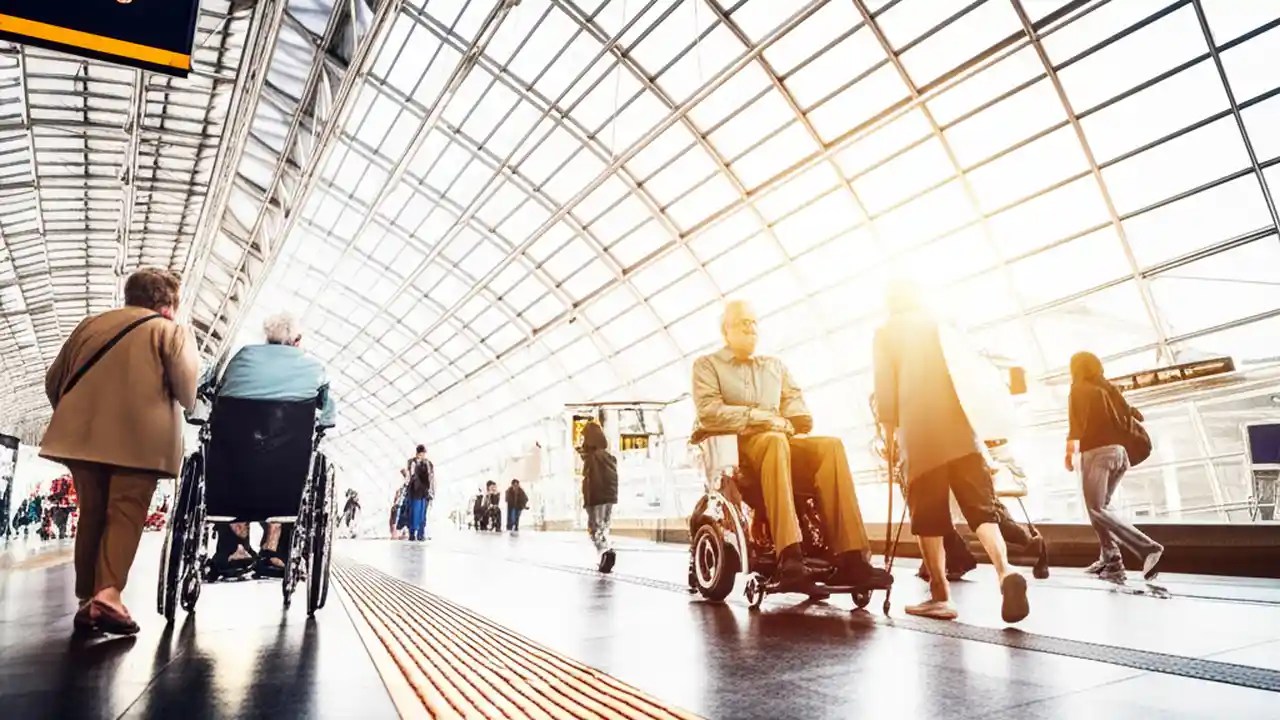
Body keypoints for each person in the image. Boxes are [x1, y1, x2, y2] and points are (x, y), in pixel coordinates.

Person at [692, 300, 893, 591]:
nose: (750, 327)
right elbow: (709, 412)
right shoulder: (707, 365)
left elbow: (800, 415)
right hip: (737, 450)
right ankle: (790, 556)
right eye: (741, 323)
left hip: (779, 443)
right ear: (726, 330)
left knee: (830, 446)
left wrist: (787, 421)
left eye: (753, 322)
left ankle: (852, 558)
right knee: (773, 440)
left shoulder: (774, 367)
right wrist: (762, 418)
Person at [41, 267, 199, 635]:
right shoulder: (170, 331)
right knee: (125, 512)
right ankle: (109, 595)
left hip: (83, 436)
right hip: (140, 439)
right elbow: (187, 392)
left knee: (92, 512)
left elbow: (54, 381)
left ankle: (86, 600)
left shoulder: (90, 325)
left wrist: (80, 417)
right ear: (168, 304)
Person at [873, 278, 1028, 623]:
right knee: (982, 512)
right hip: (963, 431)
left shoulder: (887, 333)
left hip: (920, 434)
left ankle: (941, 595)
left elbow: (885, 389)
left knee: (928, 519)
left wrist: (889, 434)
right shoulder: (942, 323)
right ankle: (1005, 571)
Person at [209, 312, 337, 577]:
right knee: (293, 470)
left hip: (232, 465)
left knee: (229, 457)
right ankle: (274, 549)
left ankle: (234, 546)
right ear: (298, 340)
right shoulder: (314, 367)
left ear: (267, 338)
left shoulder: (242, 357)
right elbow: (328, 415)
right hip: (285, 470)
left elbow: (212, 387)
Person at [1066, 351, 1163, 583]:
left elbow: (1075, 427)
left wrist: (1069, 454)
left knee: (1096, 510)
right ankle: (1111, 559)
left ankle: (1148, 548)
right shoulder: (1108, 390)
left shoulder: (1079, 389)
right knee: (1102, 508)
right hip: (1120, 455)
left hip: (1097, 454)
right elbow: (1134, 415)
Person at [579, 421, 617, 572]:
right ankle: (606, 552)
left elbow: (590, 479)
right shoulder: (609, 457)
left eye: (584, 438)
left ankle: (605, 553)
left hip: (596, 497)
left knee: (594, 529)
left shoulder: (592, 458)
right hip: (609, 497)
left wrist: (588, 501)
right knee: (603, 527)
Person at [405, 445, 434, 541]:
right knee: (414, 513)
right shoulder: (412, 462)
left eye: (423, 454)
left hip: (424, 493)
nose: (422, 455)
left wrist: (431, 491)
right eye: (421, 453)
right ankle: (412, 533)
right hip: (414, 492)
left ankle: (421, 534)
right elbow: (411, 476)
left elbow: (431, 478)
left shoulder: (428, 463)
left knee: (422, 514)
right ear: (417, 453)